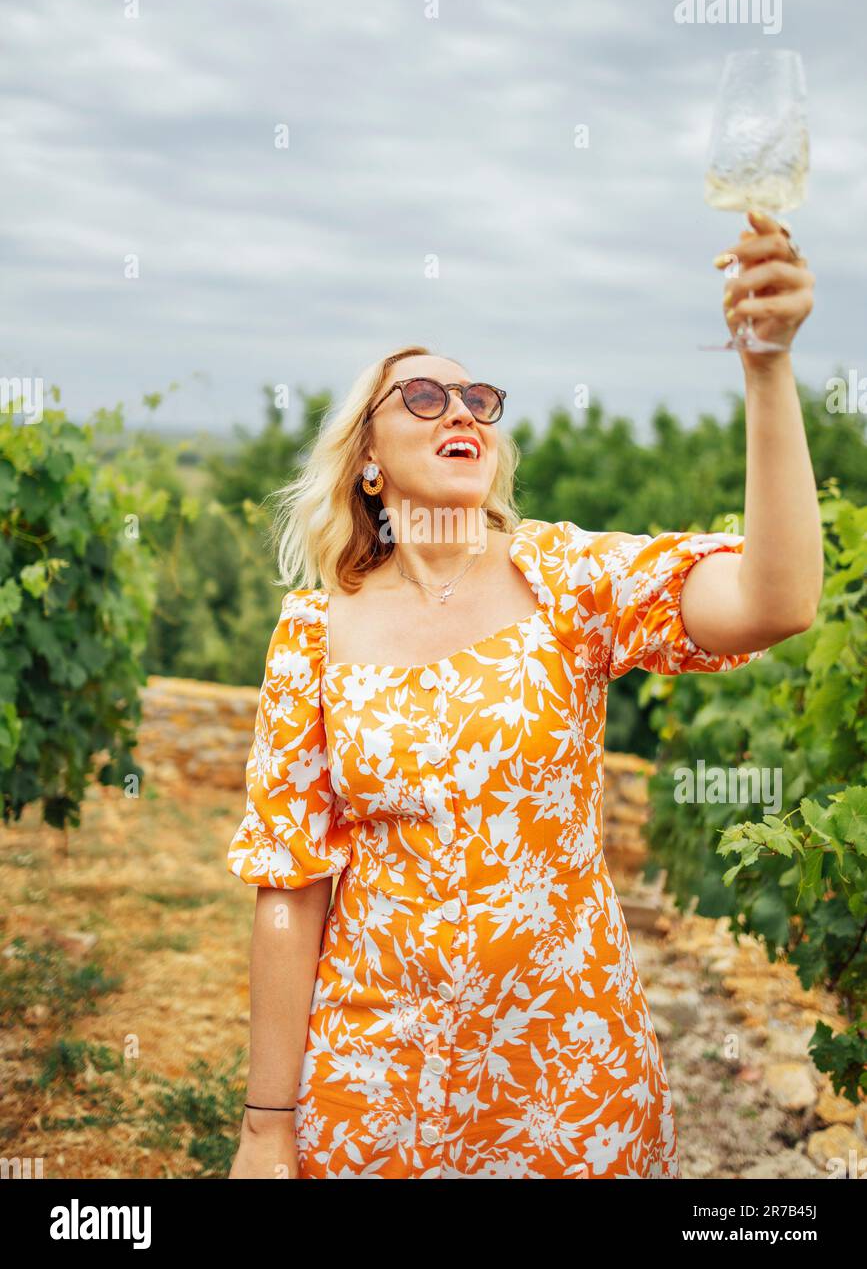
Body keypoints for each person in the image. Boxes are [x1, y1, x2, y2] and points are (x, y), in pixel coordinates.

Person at [227, 210, 821, 1178]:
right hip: (375, 1079)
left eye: (478, 398)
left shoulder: (568, 578)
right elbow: (290, 887)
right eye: (421, 395)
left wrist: (766, 367)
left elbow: (776, 599)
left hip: (569, 1080)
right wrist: (266, 1124)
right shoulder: (313, 633)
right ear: (367, 459)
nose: (461, 409)